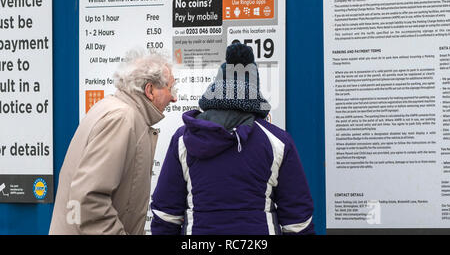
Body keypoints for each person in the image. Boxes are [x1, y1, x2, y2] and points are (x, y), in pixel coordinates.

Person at [150, 42, 314, 235]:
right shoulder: (277, 141)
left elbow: (165, 215)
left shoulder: (184, 138)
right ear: (254, 91)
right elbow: (298, 221)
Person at [49, 50, 177, 235]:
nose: (174, 98)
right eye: (170, 88)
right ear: (149, 90)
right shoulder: (122, 119)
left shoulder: (116, 110)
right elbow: (88, 199)